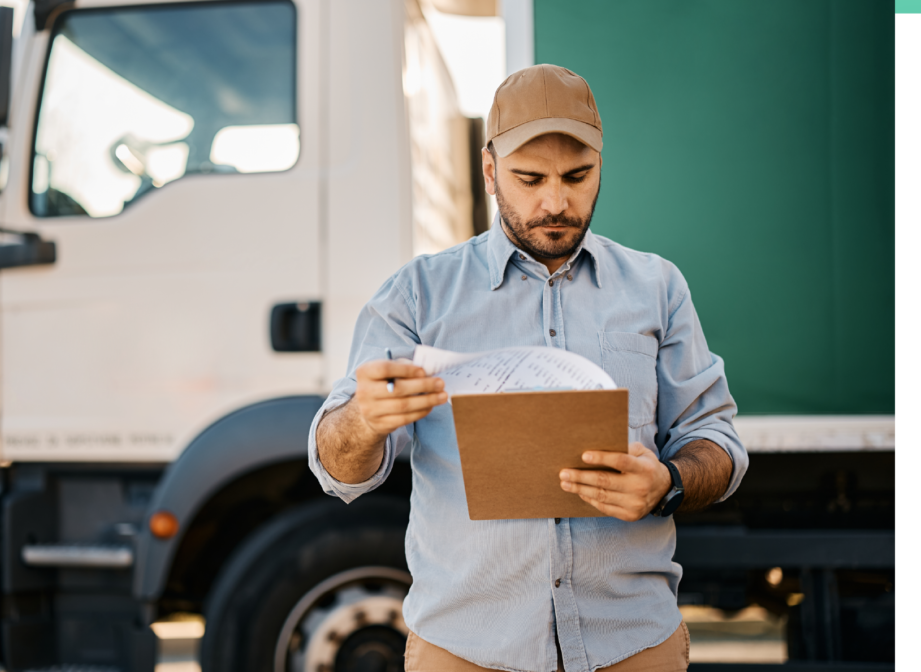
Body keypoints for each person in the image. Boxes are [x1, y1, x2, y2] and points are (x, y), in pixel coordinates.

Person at [308, 64, 747, 672]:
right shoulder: (416, 296)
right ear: (490, 172)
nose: (556, 202)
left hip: (632, 644)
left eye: (577, 177)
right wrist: (363, 419)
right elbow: (338, 473)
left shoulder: (658, 288)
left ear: (600, 167)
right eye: (530, 178)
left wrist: (667, 481)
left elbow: (716, 442)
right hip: (466, 650)